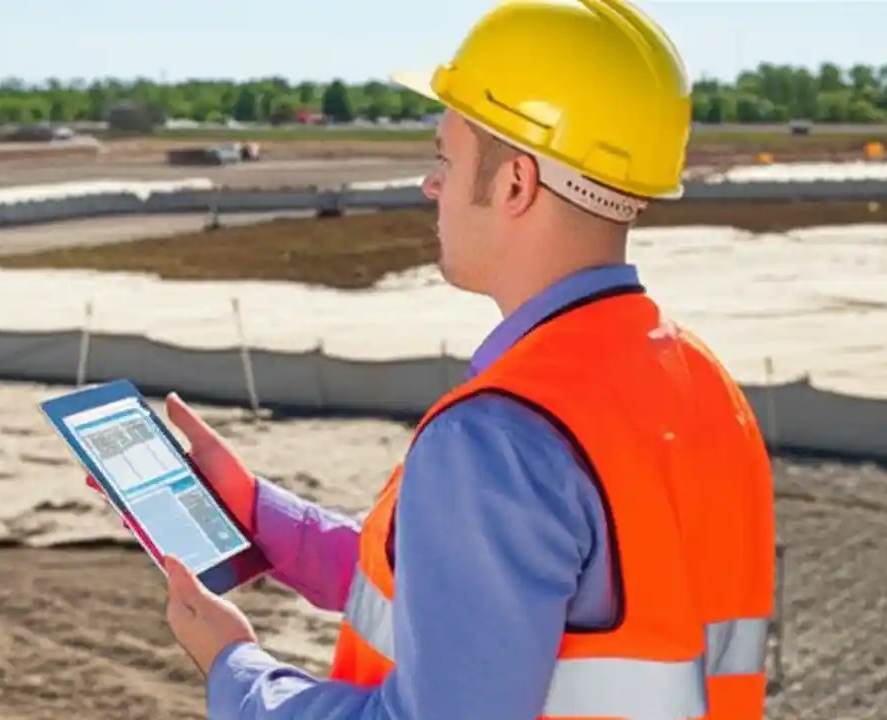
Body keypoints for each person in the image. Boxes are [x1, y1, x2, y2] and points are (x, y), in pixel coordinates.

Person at [91, 1, 776, 717]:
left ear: (515, 184)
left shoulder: (500, 437)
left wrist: (236, 670)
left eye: (445, 158)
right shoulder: (697, 384)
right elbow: (483, 589)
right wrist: (261, 516)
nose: (431, 184)